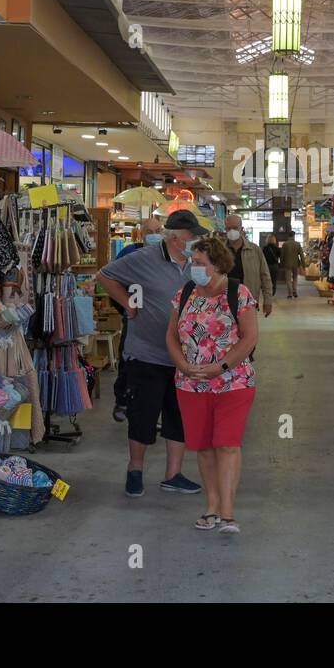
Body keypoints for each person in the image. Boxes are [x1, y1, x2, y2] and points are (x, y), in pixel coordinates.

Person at [97, 210, 207, 498]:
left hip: (184, 358)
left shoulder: (195, 264)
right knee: (142, 416)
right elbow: (105, 275)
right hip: (146, 353)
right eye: (191, 237)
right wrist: (127, 304)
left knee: (178, 417)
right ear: (174, 238)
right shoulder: (143, 258)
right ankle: (135, 471)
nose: (195, 241)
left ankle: (174, 474)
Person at [166, 234, 259, 534]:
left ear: (218, 265)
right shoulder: (185, 293)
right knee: (203, 447)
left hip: (233, 383)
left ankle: (228, 514)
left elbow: (249, 338)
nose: (194, 267)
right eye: (193, 262)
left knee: (227, 445)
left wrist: (220, 367)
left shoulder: (238, 293)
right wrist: (182, 365)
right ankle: (212, 507)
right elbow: (171, 335)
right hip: (191, 385)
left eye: (200, 263)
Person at [110, 217, 163, 422]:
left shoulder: (168, 255)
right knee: (128, 358)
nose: (154, 234)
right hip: (134, 319)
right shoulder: (129, 253)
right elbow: (111, 279)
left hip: (161, 319)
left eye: (157, 230)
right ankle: (122, 398)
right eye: (149, 231)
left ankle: (155, 408)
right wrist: (126, 306)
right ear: (141, 233)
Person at [223, 214, 273, 319]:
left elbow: (265, 276)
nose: (232, 231)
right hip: (223, 302)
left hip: (249, 301)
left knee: (248, 333)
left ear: (241, 229)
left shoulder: (255, 250)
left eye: (235, 228)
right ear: (225, 229)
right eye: (229, 228)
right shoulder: (219, 251)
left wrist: (268, 300)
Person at [279, 231, 303, 298]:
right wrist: (303, 264)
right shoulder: (297, 244)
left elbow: (282, 255)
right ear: (293, 236)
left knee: (288, 279)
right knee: (295, 278)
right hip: (296, 264)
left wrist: (281, 263)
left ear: (288, 236)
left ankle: (290, 294)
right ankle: (295, 292)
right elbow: (301, 255)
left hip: (287, 264)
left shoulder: (285, 244)